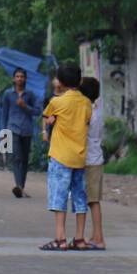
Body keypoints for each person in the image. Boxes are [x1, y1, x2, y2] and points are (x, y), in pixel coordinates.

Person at [39, 62, 91, 251]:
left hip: (60, 156)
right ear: (79, 80)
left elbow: (47, 121)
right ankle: (79, 238)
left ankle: (60, 238)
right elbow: (86, 121)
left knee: (58, 197)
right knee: (79, 197)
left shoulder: (56, 102)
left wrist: (51, 123)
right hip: (79, 157)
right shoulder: (86, 103)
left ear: (60, 81)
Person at [0, 67, 42, 198]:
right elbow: (4, 114)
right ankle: (18, 186)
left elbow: (37, 111)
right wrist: (3, 133)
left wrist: (25, 106)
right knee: (16, 158)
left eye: (22, 76)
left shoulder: (30, 94)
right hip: (12, 129)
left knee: (24, 159)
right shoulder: (8, 94)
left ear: (25, 79)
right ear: (13, 79)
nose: (19, 79)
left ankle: (21, 187)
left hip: (27, 130)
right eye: (17, 76)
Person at [75, 76, 107, 250]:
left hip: (90, 160)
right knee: (92, 200)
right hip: (95, 159)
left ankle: (99, 237)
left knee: (93, 201)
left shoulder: (89, 114)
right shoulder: (96, 111)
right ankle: (95, 236)